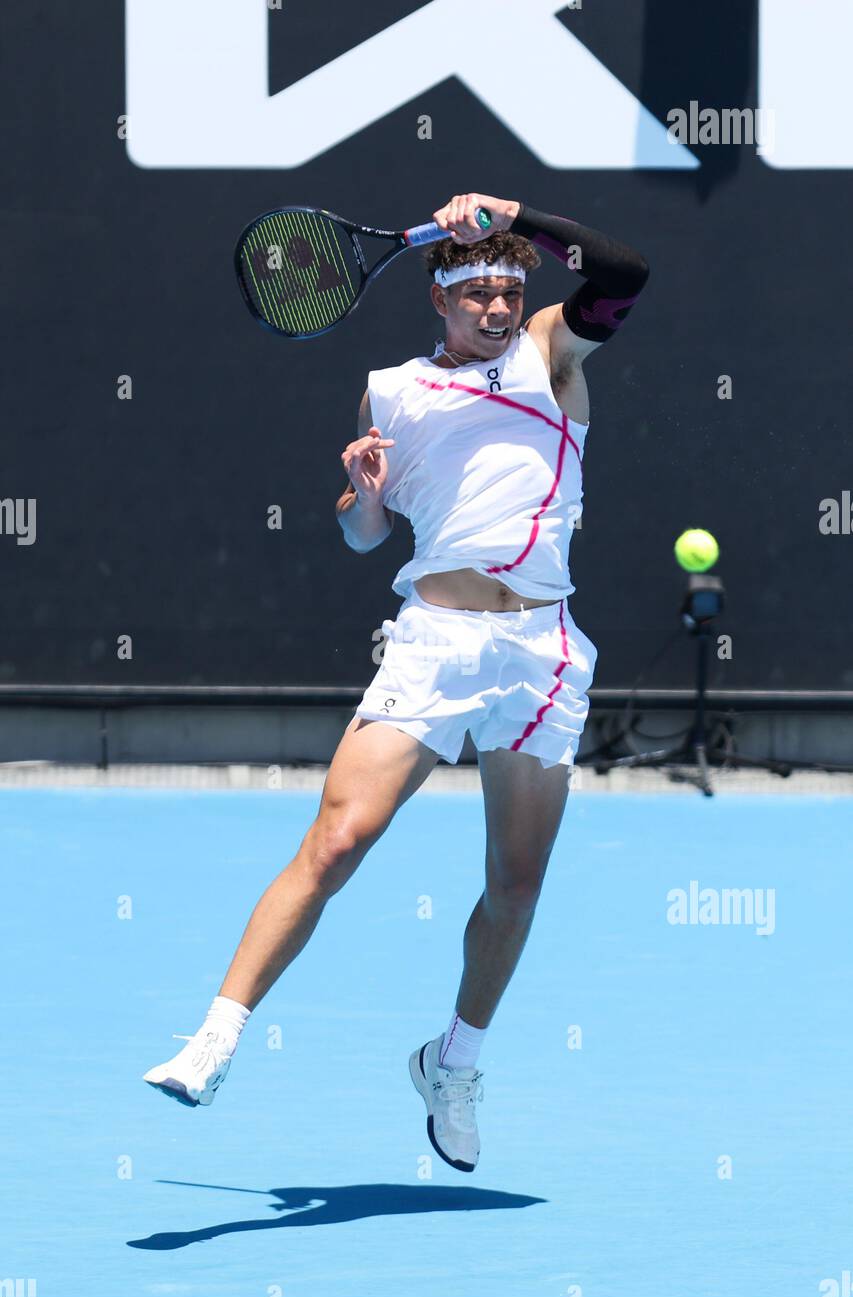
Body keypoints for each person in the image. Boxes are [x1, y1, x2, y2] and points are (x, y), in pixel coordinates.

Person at [144, 193, 649, 1173]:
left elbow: (624, 274)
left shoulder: (552, 352)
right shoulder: (388, 391)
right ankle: (218, 1032)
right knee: (339, 839)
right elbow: (361, 532)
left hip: (542, 653)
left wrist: (515, 211)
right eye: (478, 295)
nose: (498, 309)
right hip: (433, 643)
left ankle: (452, 1065)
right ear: (438, 296)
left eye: (511, 291)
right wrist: (363, 497)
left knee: (513, 884)